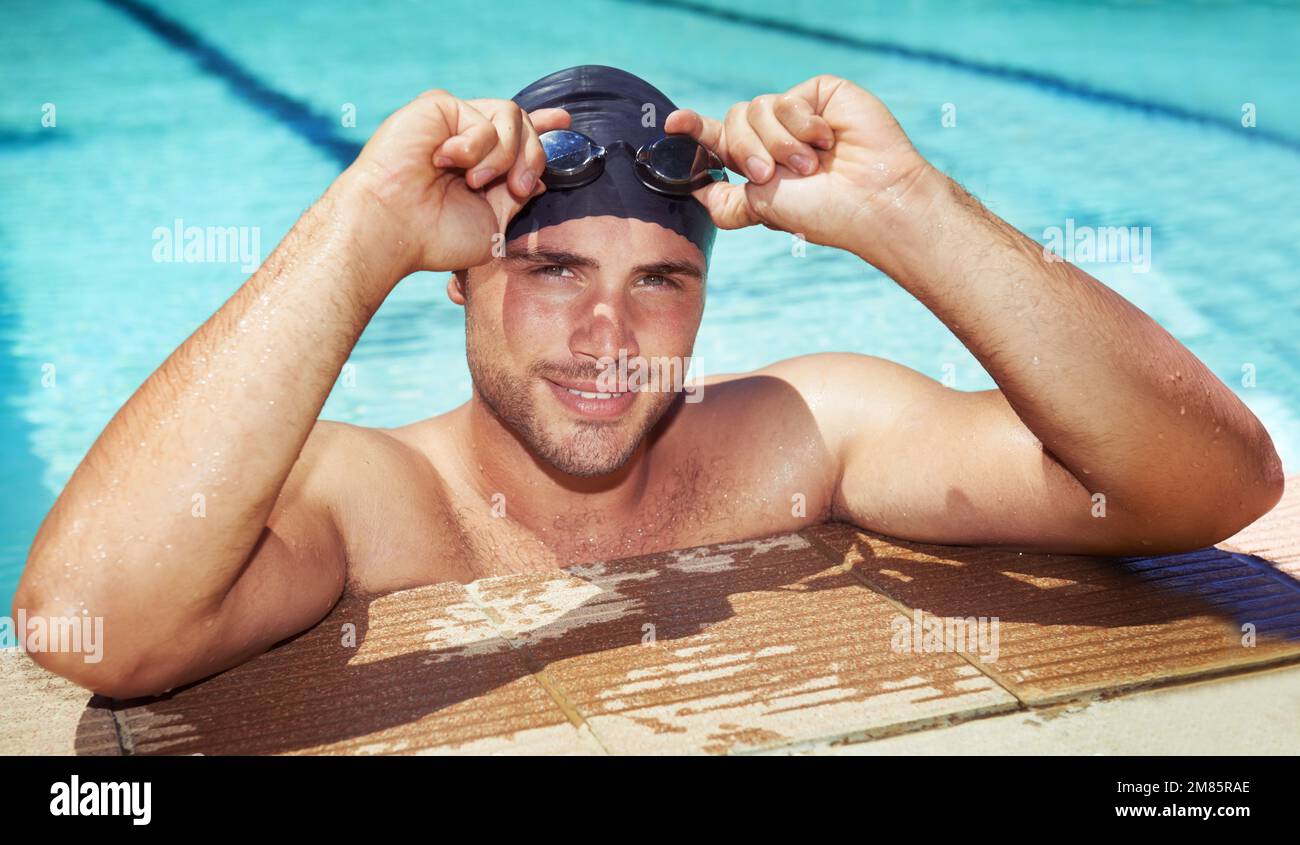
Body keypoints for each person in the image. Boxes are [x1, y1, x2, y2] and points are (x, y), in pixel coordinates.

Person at [16, 66, 1283, 698]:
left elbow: (1209, 485)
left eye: (662, 281)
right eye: (554, 269)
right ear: (457, 276)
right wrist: (355, 237)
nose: (607, 332)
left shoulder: (802, 435)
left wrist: (910, 212)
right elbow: (93, 627)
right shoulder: (369, 499)